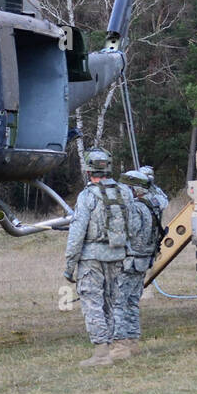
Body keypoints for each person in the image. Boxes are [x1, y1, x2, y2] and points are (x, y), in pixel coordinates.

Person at [63, 149, 132, 368]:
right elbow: (132, 225)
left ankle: (101, 354)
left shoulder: (87, 196)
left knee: (92, 303)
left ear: (88, 170)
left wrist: (69, 266)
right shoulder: (125, 192)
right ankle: (112, 347)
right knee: (111, 302)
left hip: (91, 258)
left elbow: (77, 234)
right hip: (117, 254)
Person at [113, 168, 164, 357]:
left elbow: (130, 231)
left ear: (134, 189)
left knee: (118, 303)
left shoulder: (136, 208)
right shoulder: (154, 203)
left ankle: (120, 346)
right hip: (144, 260)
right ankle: (133, 343)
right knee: (132, 302)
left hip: (129, 261)